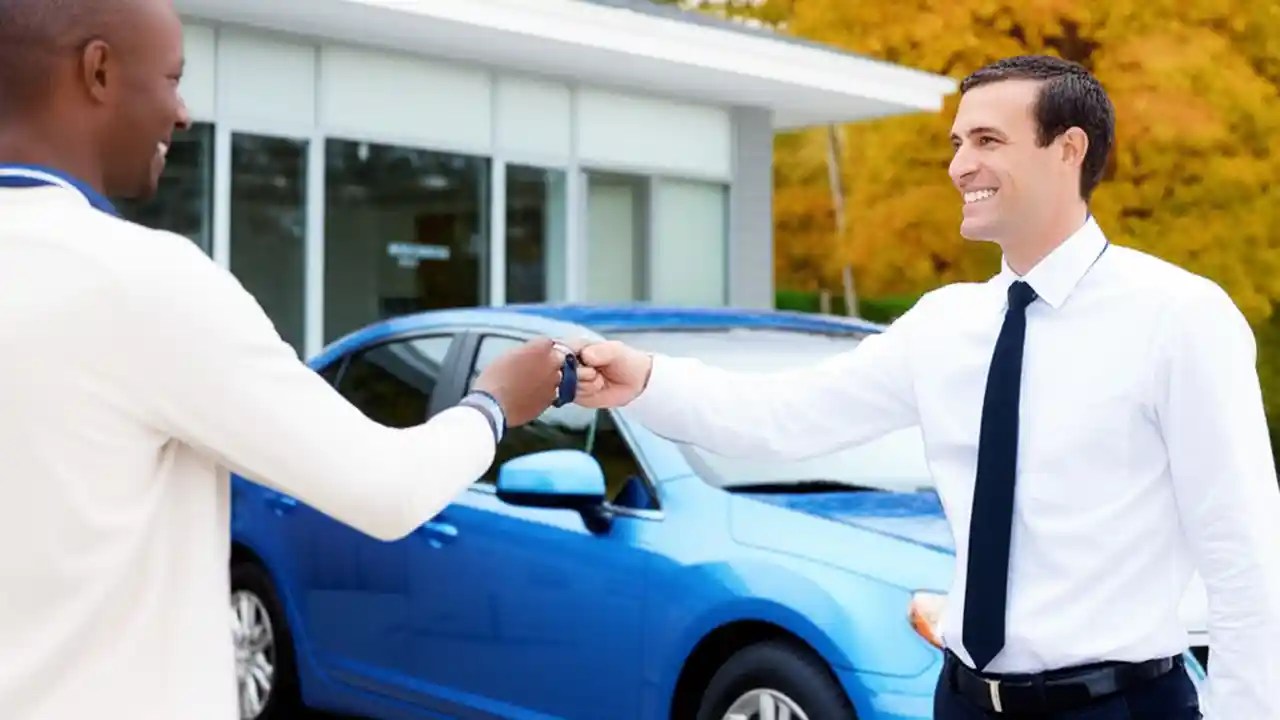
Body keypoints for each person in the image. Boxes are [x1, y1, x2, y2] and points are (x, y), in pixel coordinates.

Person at [572, 55, 1280, 719]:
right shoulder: (944, 325)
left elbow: (1245, 551)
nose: (959, 165)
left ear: (1069, 150)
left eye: (987, 140)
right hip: (962, 699)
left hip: (1118, 706)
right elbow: (781, 418)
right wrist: (647, 382)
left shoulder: (1179, 316)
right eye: (956, 142)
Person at [0, 0, 568, 718]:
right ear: (99, 70)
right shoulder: (146, 283)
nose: (182, 114)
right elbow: (385, 489)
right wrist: (494, 404)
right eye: (172, 79)